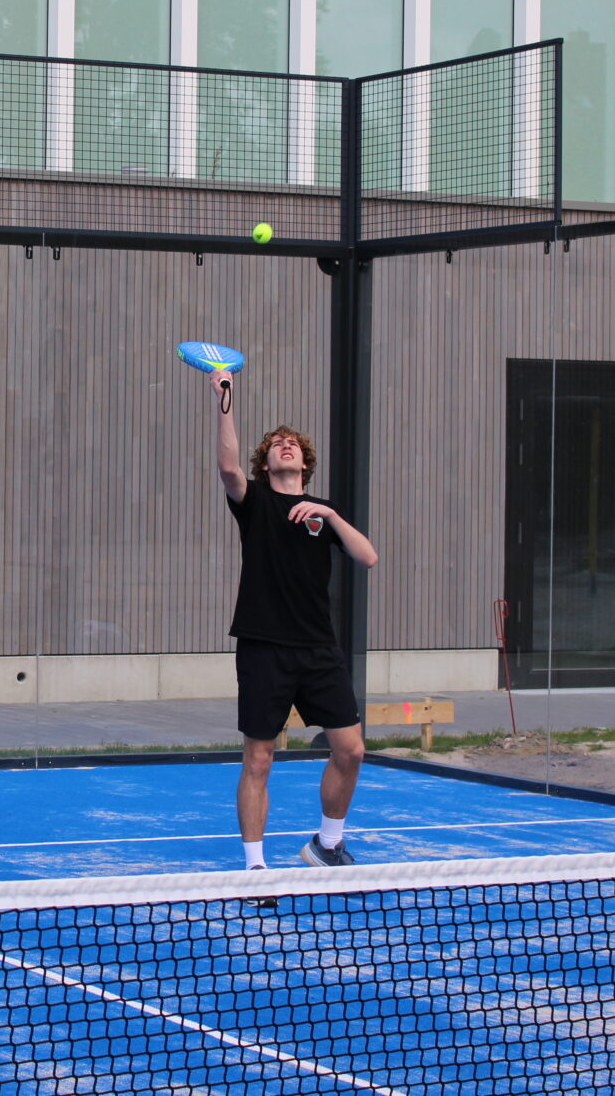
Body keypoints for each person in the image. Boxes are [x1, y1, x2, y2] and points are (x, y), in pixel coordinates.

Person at [209, 369, 377, 869]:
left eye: (293, 444)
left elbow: (367, 557)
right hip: (264, 646)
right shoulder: (255, 501)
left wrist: (331, 517)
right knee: (259, 758)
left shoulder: (323, 512)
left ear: (305, 461)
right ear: (267, 463)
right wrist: (225, 401)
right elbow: (228, 468)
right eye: (277, 444)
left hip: (319, 649)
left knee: (351, 751)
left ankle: (326, 845)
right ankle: (256, 867)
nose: (285, 446)